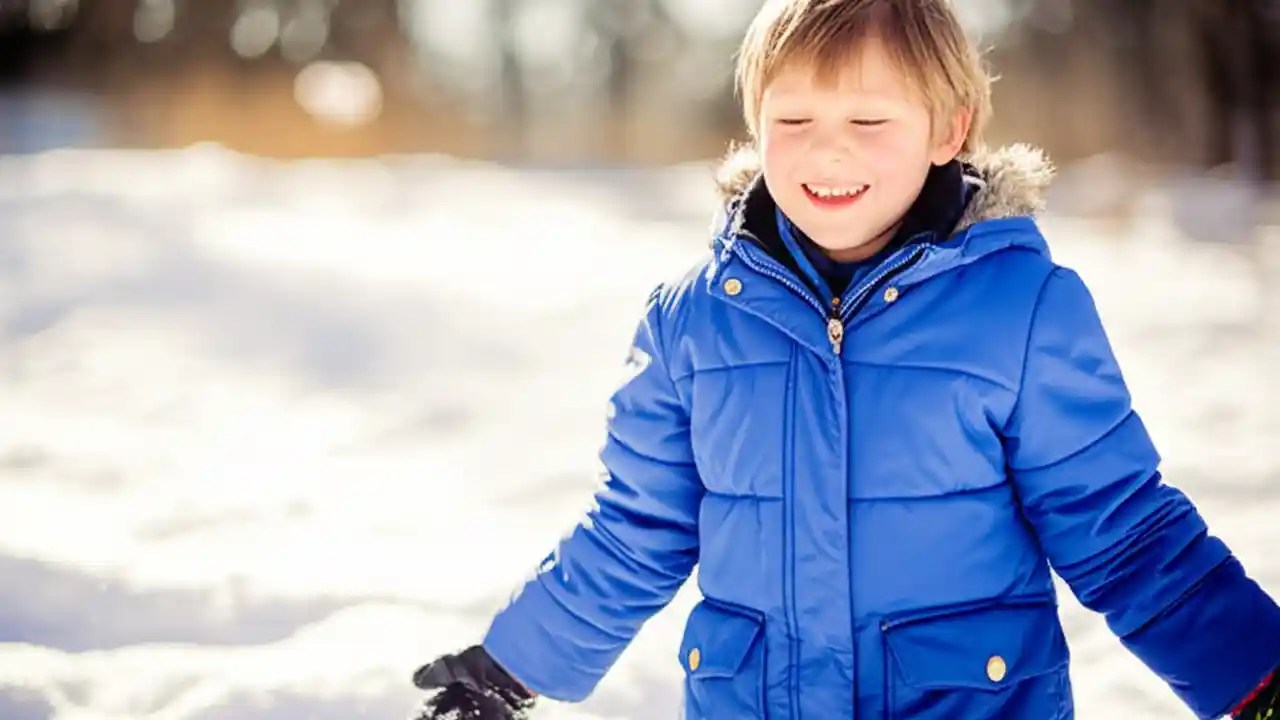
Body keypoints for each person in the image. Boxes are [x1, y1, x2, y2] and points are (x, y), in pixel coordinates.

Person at [411, 1, 1280, 717]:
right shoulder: (695, 324)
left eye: (869, 119)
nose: (829, 148)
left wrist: (1256, 678)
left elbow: (1122, 530)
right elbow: (639, 526)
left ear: (950, 129)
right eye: (794, 119)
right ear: (756, 126)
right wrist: (514, 665)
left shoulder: (1018, 310)